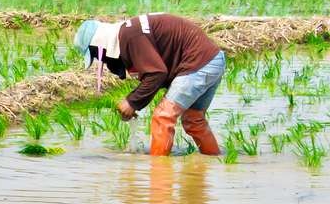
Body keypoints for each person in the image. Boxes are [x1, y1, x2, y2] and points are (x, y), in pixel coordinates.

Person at [76, 14, 226, 155]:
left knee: (163, 116)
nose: (101, 60)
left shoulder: (130, 36)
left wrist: (132, 102)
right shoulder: (128, 32)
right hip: (212, 60)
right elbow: (155, 73)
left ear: (99, 45)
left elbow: (157, 74)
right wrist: (134, 102)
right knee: (193, 119)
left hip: (198, 63)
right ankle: (213, 160)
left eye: (96, 55)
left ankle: (158, 169)